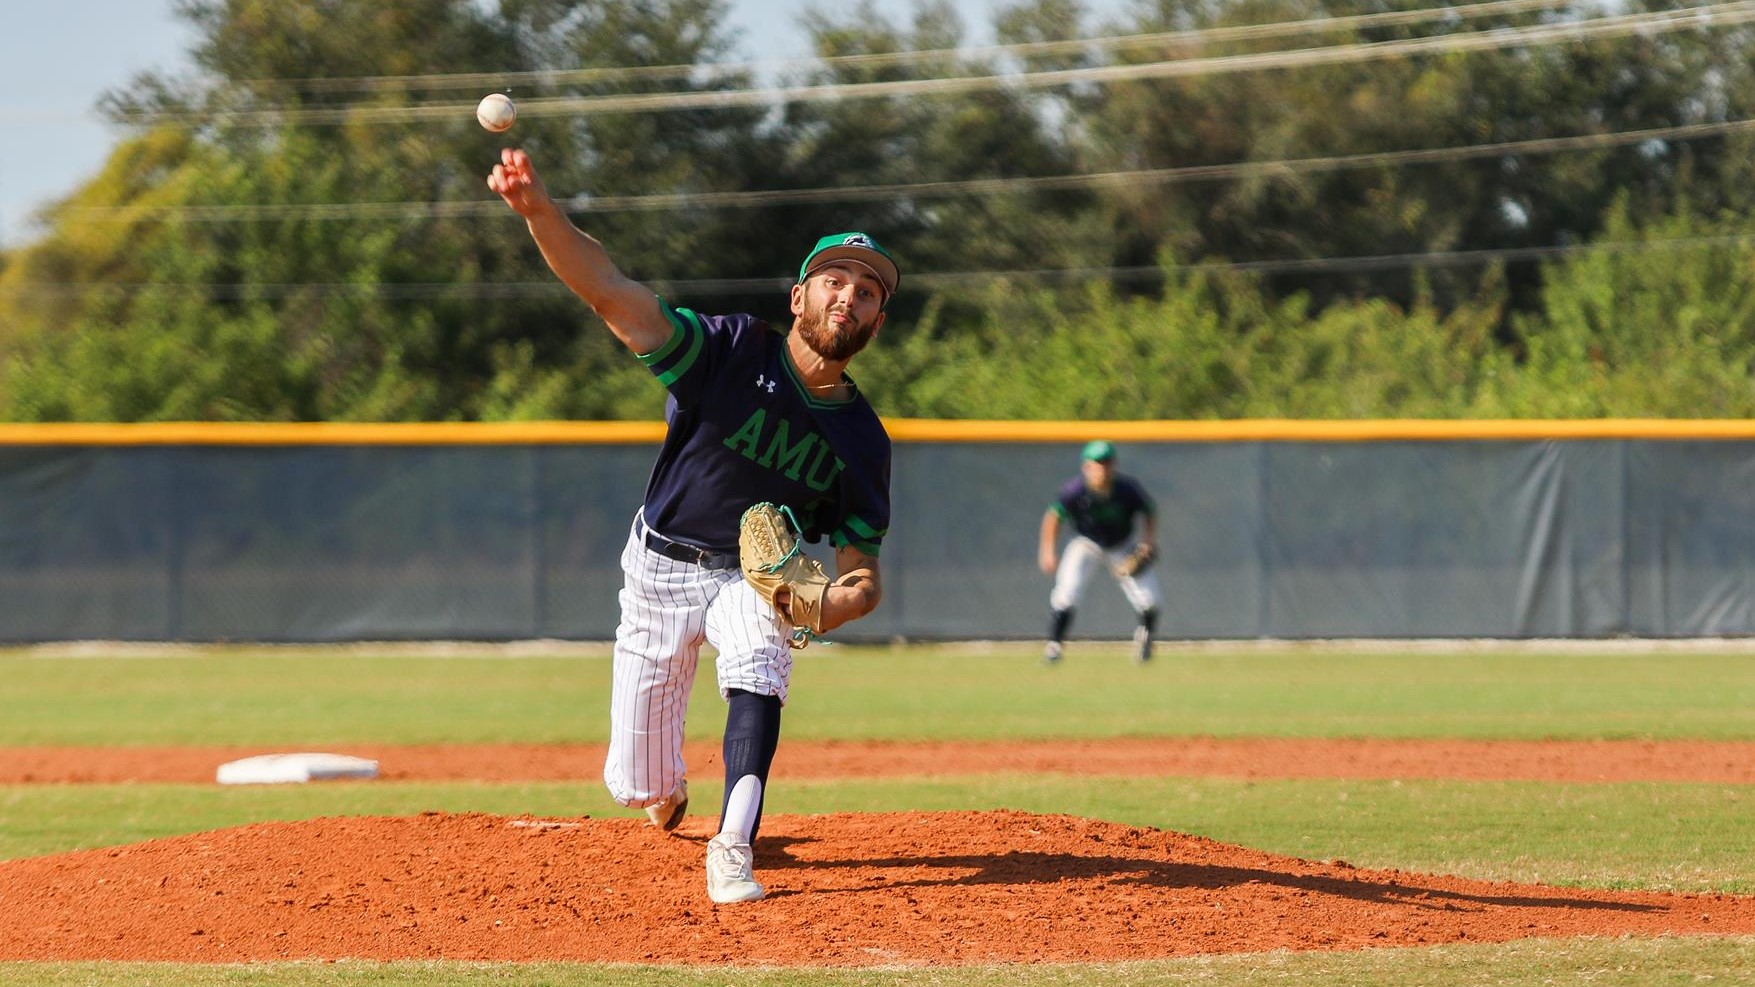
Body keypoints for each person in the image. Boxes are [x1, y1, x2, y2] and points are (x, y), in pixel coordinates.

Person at [487, 148, 895, 905]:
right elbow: (610, 291)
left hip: (755, 572)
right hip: (658, 568)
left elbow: (861, 572)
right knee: (632, 779)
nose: (850, 295)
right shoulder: (729, 351)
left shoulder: (863, 440)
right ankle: (665, 791)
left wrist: (826, 604)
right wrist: (540, 211)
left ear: (876, 319)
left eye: (867, 291)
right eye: (835, 279)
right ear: (799, 294)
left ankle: (733, 843)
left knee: (759, 660)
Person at [1037, 440, 1162, 665]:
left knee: (1150, 599)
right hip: (1087, 544)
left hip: (1123, 544)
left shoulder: (1127, 489)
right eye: (1097, 463)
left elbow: (1150, 511)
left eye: (1106, 463)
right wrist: (1048, 550)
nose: (1102, 468)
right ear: (1086, 466)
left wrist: (1148, 541)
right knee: (1067, 591)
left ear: (1113, 465)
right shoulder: (1074, 491)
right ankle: (1054, 645)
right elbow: (1053, 517)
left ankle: (1145, 639)